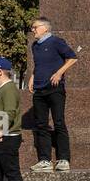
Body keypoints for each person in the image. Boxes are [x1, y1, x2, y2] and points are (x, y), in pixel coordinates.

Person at [27, 17, 78, 172]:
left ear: (45, 28)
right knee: (41, 125)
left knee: (58, 122)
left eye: (35, 27)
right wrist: (32, 78)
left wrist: (59, 73)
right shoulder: (35, 46)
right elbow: (38, 64)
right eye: (32, 27)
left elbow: (72, 58)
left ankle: (63, 159)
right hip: (39, 89)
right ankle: (45, 160)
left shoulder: (56, 42)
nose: (32, 30)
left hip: (55, 88)